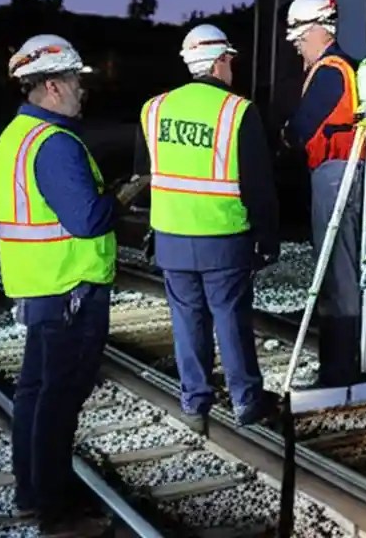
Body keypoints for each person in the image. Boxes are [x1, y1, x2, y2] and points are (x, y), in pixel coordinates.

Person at [0, 34, 146, 533]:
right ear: (53, 87)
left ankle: (31, 493)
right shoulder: (55, 144)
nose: (84, 90)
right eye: (78, 81)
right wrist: (121, 198)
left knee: (35, 394)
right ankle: (56, 511)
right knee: (59, 398)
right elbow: (86, 219)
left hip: (42, 287)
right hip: (71, 291)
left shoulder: (16, 136)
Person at [138, 24, 281, 430]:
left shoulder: (154, 109)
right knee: (231, 319)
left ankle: (194, 399)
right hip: (224, 240)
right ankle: (247, 402)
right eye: (230, 60)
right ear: (220, 62)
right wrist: (267, 239)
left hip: (171, 239)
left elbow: (142, 175)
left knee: (187, 320)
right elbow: (259, 187)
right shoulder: (238, 111)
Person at [281, 0, 363, 390]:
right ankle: (345, 362)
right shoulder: (347, 67)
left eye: (298, 38)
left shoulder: (330, 70)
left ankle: (338, 370)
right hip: (347, 170)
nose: (297, 48)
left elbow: (300, 129)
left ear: (316, 30)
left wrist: (284, 135)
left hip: (335, 173)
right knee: (343, 270)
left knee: (335, 272)